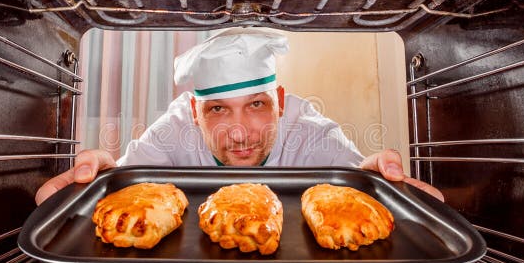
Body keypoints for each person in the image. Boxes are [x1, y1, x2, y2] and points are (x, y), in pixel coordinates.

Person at [35, 28, 443, 205]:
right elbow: (125, 182)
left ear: (280, 101)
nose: (240, 131)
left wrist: (379, 182)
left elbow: (358, 182)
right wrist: (102, 177)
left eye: (257, 104)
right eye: (217, 109)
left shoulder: (308, 130)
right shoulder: (175, 128)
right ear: (194, 112)